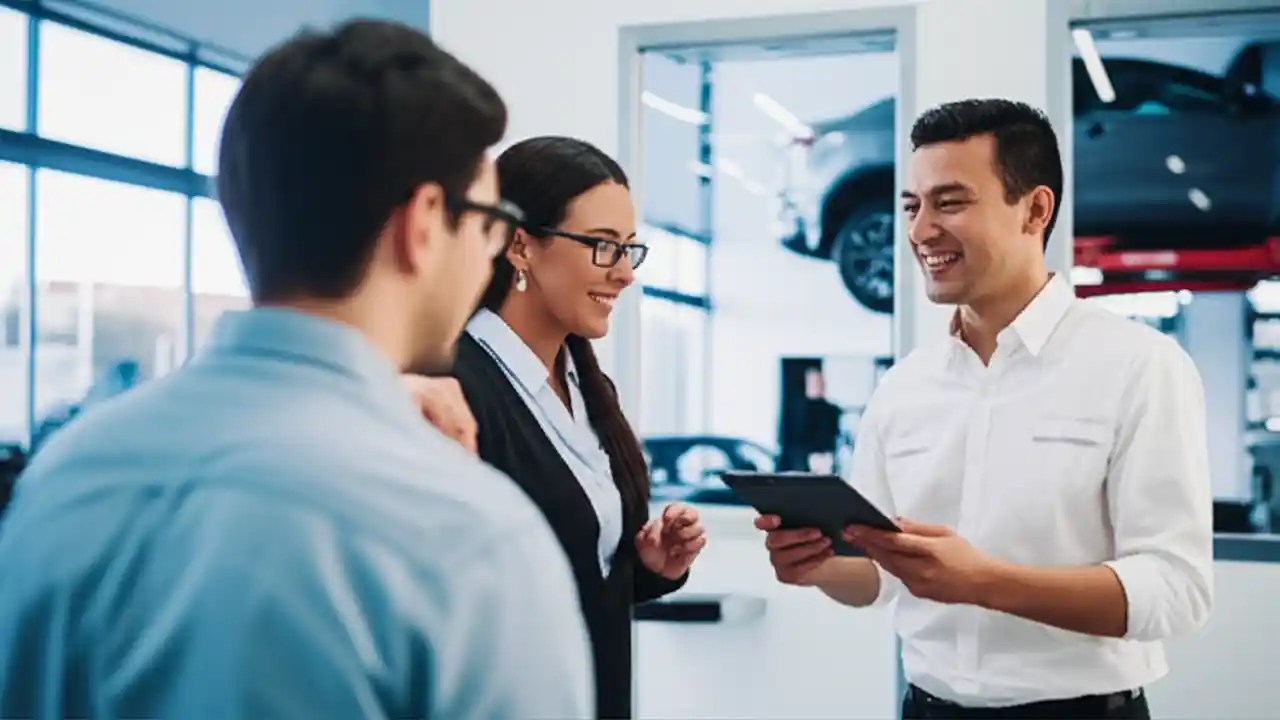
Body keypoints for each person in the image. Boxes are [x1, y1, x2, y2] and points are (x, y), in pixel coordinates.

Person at [0, 21, 593, 719]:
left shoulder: (65, 479)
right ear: (425, 221)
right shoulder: (468, 537)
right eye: (491, 221)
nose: (492, 251)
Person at [755, 99, 1212, 720]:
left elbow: (1177, 590)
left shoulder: (1140, 366)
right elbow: (879, 577)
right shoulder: (904, 387)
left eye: (950, 203)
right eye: (912, 207)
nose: (918, 232)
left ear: (1035, 210)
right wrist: (818, 565)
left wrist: (985, 582)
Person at [406, 135, 708, 719]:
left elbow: (576, 581)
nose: (624, 274)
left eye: (629, 250)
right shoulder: (453, 389)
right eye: (602, 246)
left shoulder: (587, 387)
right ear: (521, 246)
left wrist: (646, 568)